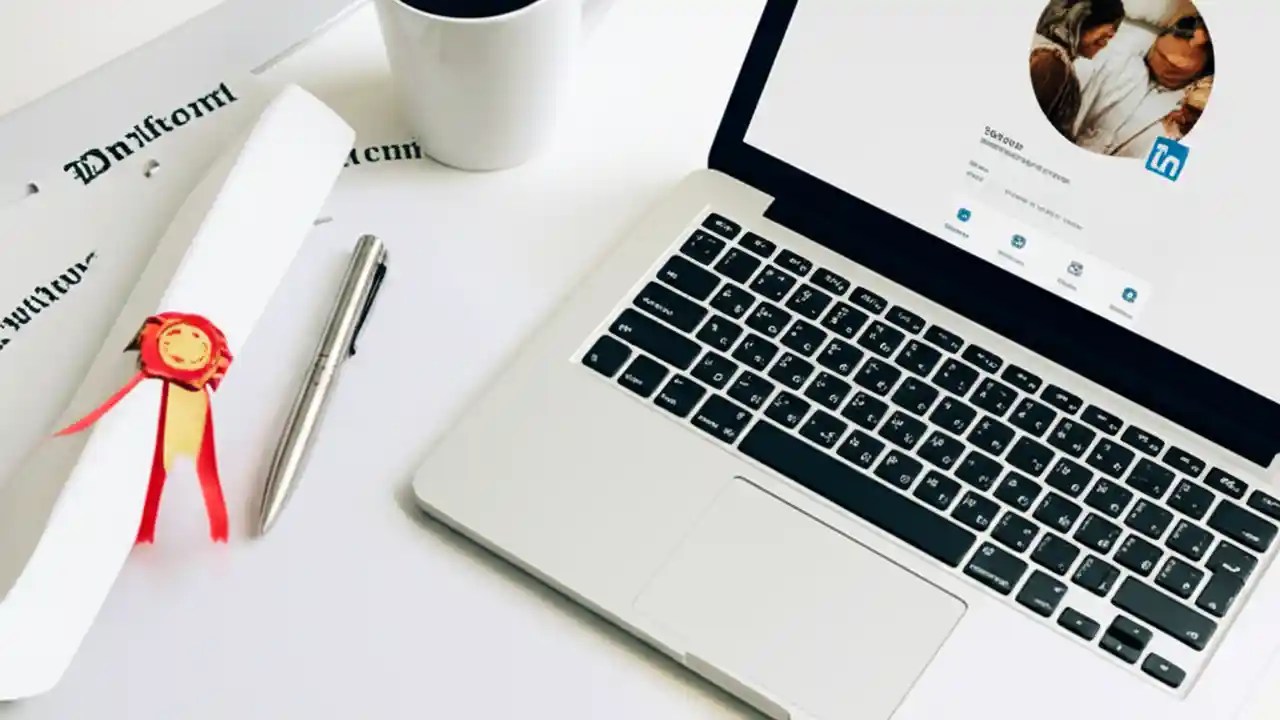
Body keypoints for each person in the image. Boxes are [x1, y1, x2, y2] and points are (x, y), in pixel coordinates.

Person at [1072, 13, 1215, 158]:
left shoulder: (1193, 111)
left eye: (1177, 69)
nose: (1163, 68)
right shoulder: (1115, 56)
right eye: (1160, 55)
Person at [1030, 0, 1127, 139]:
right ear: (1080, 21)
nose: (1104, 44)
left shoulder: (1043, 49)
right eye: (1106, 36)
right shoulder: (1051, 61)